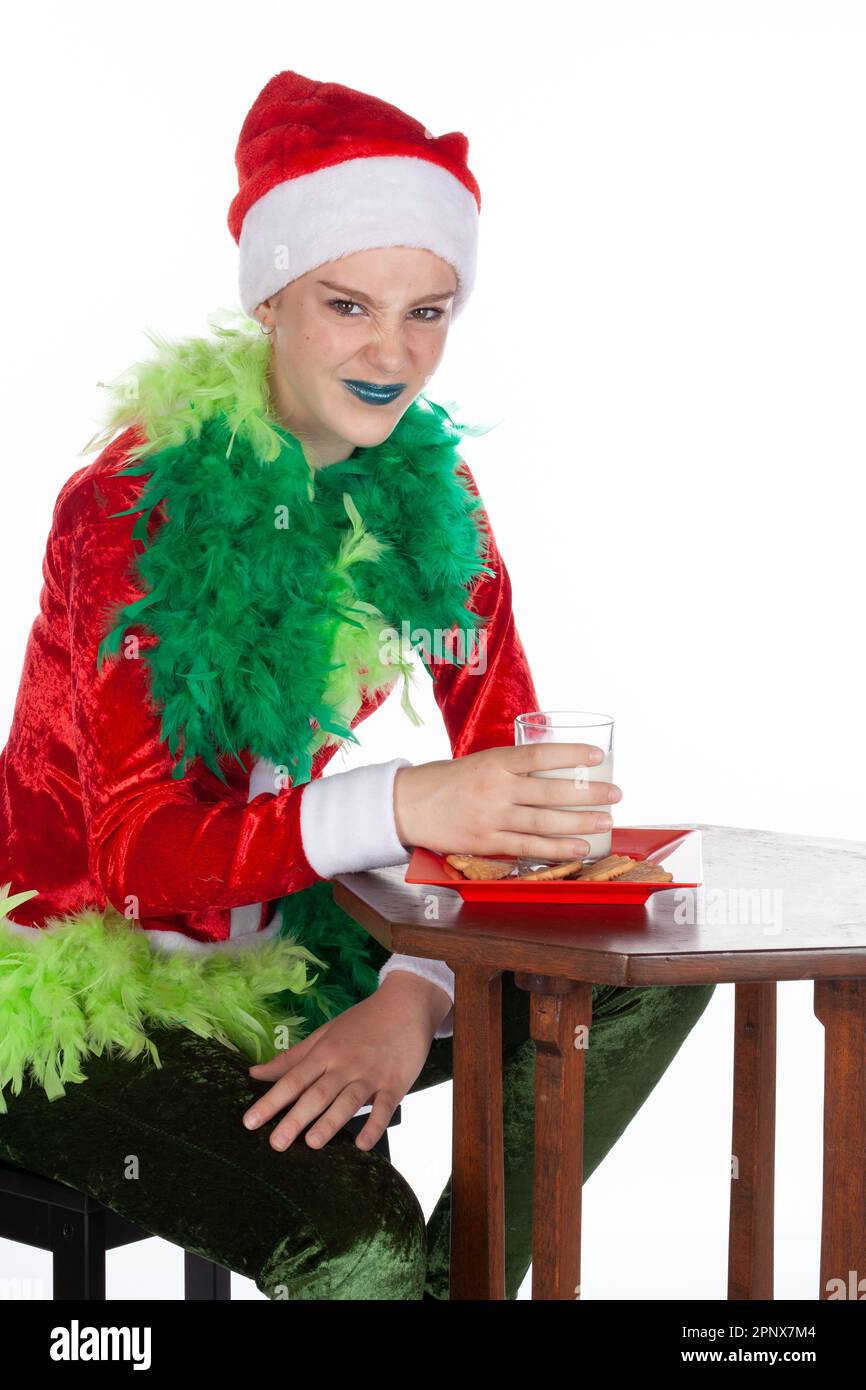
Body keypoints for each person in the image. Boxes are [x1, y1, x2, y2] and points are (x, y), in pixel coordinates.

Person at [0, 67, 715, 1300]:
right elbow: (137, 853)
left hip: (287, 936)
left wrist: (416, 990)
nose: (393, 355)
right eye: (348, 305)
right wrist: (402, 804)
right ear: (272, 295)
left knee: (648, 971)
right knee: (363, 1250)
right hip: (77, 977)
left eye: (428, 311)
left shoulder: (431, 496)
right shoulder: (132, 505)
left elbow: (514, 758)